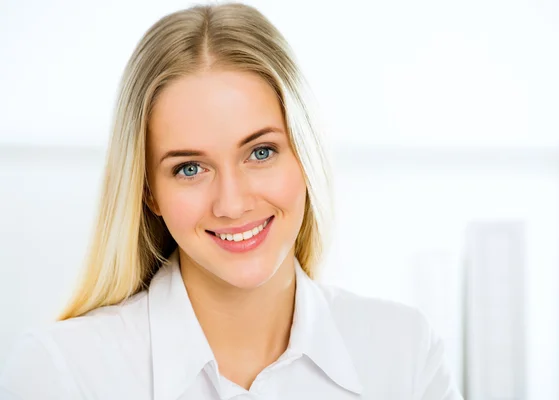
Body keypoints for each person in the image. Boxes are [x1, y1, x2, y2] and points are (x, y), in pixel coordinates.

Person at [0, 3, 463, 399]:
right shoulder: (62, 373)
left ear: (305, 155)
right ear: (148, 191)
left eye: (261, 152)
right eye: (189, 168)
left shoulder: (404, 355)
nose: (232, 202)